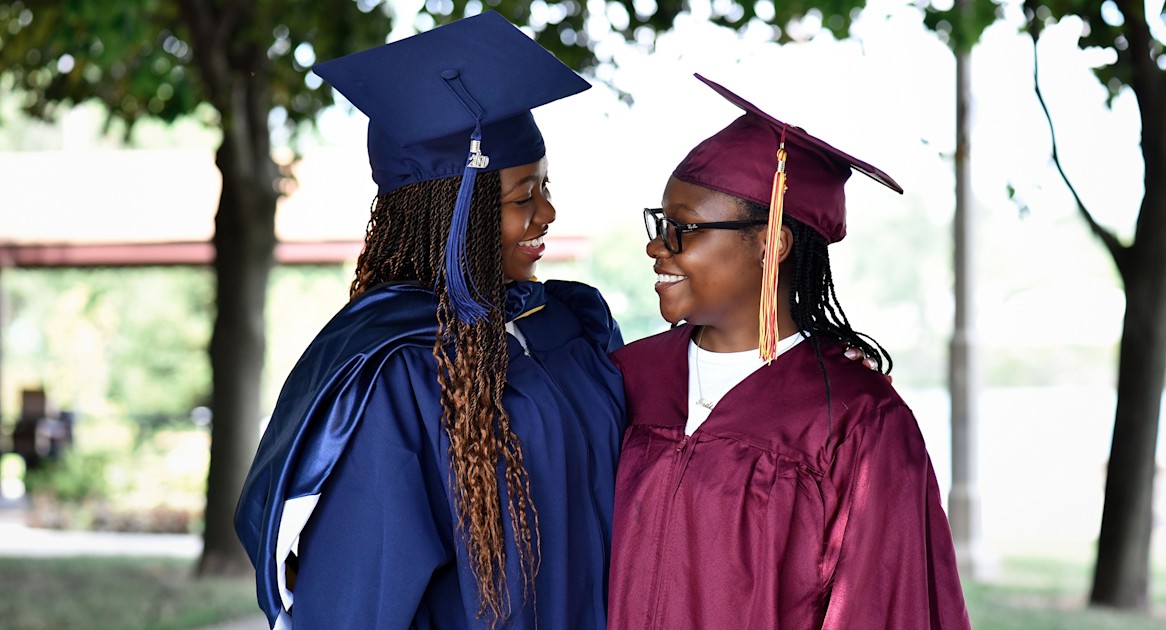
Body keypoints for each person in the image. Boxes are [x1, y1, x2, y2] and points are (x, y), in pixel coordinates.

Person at [233, 13, 624, 629]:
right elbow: (359, 591)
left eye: (546, 187)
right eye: (524, 196)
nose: (547, 212)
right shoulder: (400, 369)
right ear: (456, 213)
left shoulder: (569, 326)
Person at [607, 74, 970, 629]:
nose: (657, 247)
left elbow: (883, 607)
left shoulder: (856, 419)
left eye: (683, 228)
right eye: (660, 224)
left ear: (770, 242)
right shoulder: (628, 377)